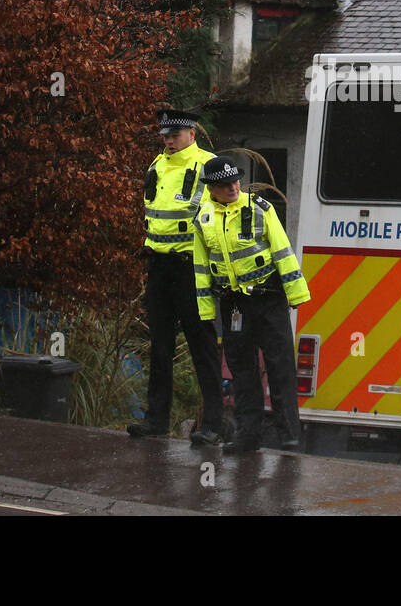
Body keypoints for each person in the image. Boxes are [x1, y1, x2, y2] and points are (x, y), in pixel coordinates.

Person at [191, 155, 310, 453]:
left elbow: (283, 251)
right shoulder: (203, 218)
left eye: (235, 181)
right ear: (211, 188)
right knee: (242, 371)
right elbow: (202, 269)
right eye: (225, 184)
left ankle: (289, 435)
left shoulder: (260, 208)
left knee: (280, 365)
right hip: (234, 305)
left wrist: (295, 295)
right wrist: (206, 310)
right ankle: (248, 436)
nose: (232, 187)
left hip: (268, 298)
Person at [129, 110, 224, 446]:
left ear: (192, 133)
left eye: (175, 135)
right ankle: (156, 420)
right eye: (165, 136)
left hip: (191, 268)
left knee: (202, 346)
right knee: (160, 347)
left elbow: (223, 214)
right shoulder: (156, 166)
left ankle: (214, 423)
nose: (169, 141)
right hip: (159, 267)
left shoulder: (208, 165)